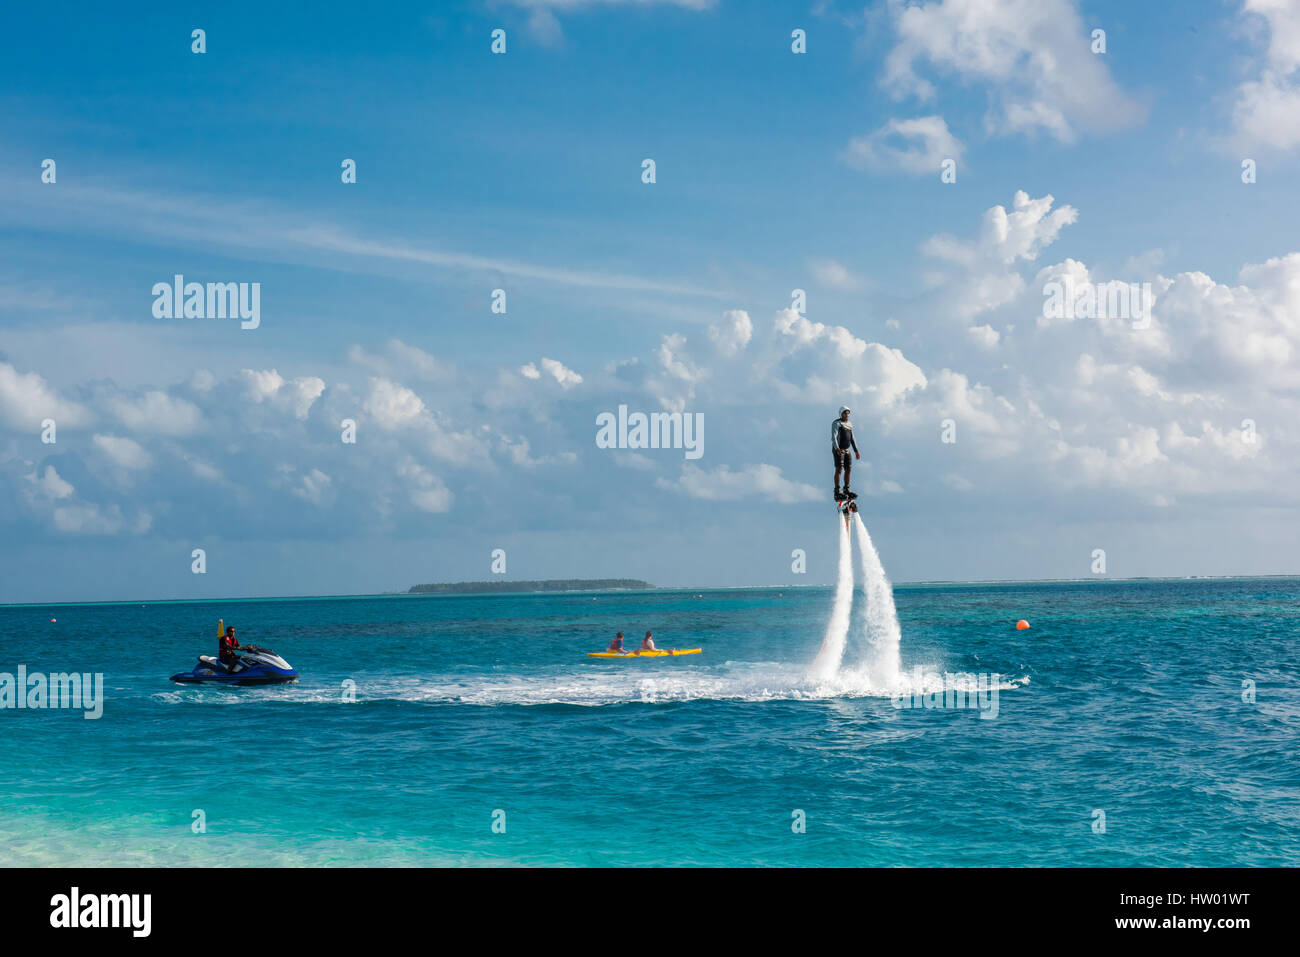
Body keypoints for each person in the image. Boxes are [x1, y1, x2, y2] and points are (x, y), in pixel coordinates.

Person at [832, 405, 860, 499]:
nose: (847, 414)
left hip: (847, 450)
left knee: (848, 469)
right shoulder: (836, 423)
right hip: (839, 449)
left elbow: (852, 438)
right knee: (839, 469)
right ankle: (837, 491)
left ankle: (846, 490)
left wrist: (856, 450)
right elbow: (834, 437)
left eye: (848, 413)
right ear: (841, 414)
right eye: (845, 413)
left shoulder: (849, 424)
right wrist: (837, 448)